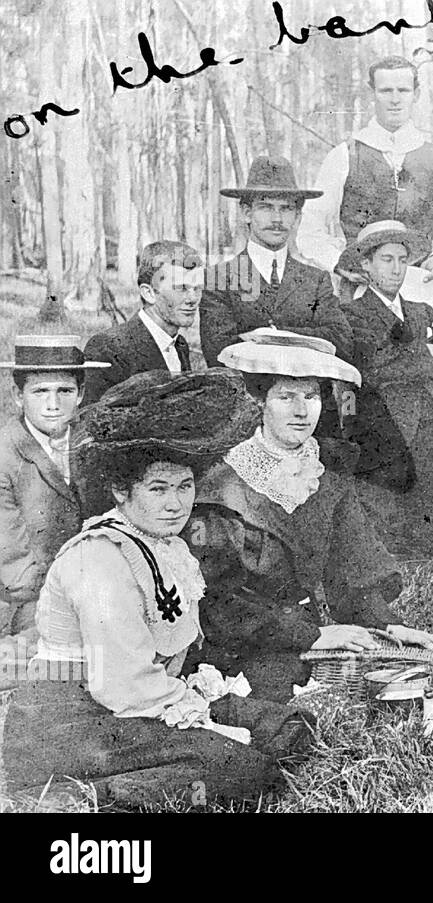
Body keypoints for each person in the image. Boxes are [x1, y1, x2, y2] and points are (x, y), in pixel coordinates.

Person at [2, 369, 315, 808]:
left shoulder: (163, 546)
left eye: (185, 487)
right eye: (158, 488)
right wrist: (210, 724)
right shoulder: (99, 556)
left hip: (130, 707)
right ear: (121, 492)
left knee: (292, 730)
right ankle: (85, 795)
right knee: (249, 768)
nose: (175, 503)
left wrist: (213, 708)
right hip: (68, 724)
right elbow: (124, 688)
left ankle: (174, 773)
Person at [186, 329, 433, 702]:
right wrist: (312, 635)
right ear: (258, 402)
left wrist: (387, 625)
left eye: (310, 396)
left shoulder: (324, 478)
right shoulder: (223, 486)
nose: (301, 410)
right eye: (285, 396)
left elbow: (355, 573)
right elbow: (216, 603)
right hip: (244, 648)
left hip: (317, 643)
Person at [298, 55, 433, 329]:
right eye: (385, 90)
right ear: (373, 95)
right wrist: (339, 264)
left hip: (420, 291)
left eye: (403, 90)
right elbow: (309, 231)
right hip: (359, 295)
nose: (395, 99)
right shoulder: (345, 155)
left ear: (416, 94)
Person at [339, 221, 433, 560]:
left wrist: (419, 380)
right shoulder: (351, 315)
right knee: (387, 541)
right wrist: (428, 352)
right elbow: (374, 370)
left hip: (428, 429)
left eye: (402, 259)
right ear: (366, 265)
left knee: (431, 547)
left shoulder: (422, 311)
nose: (396, 268)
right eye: (386, 259)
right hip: (380, 433)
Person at [0, 336, 108, 678]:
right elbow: (13, 564)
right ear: (18, 396)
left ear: (81, 394)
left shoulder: (92, 441)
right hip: (29, 598)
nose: (53, 404)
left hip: (93, 581)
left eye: (64, 391)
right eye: (39, 392)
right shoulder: (5, 455)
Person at [201, 156, 355, 366]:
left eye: (286, 209)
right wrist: (308, 338)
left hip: (309, 394)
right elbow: (217, 350)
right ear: (247, 213)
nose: (277, 219)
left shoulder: (316, 280)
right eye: (265, 207)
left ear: (298, 217)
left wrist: (271, 334)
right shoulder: (219, 278)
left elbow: (341, 341)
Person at [83, 241, 204, 404]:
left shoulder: (179, 345)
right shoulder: (109, 348)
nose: (193, 299)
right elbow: (95, 423)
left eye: (197, 289)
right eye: (181, 289)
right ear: (149, 293)